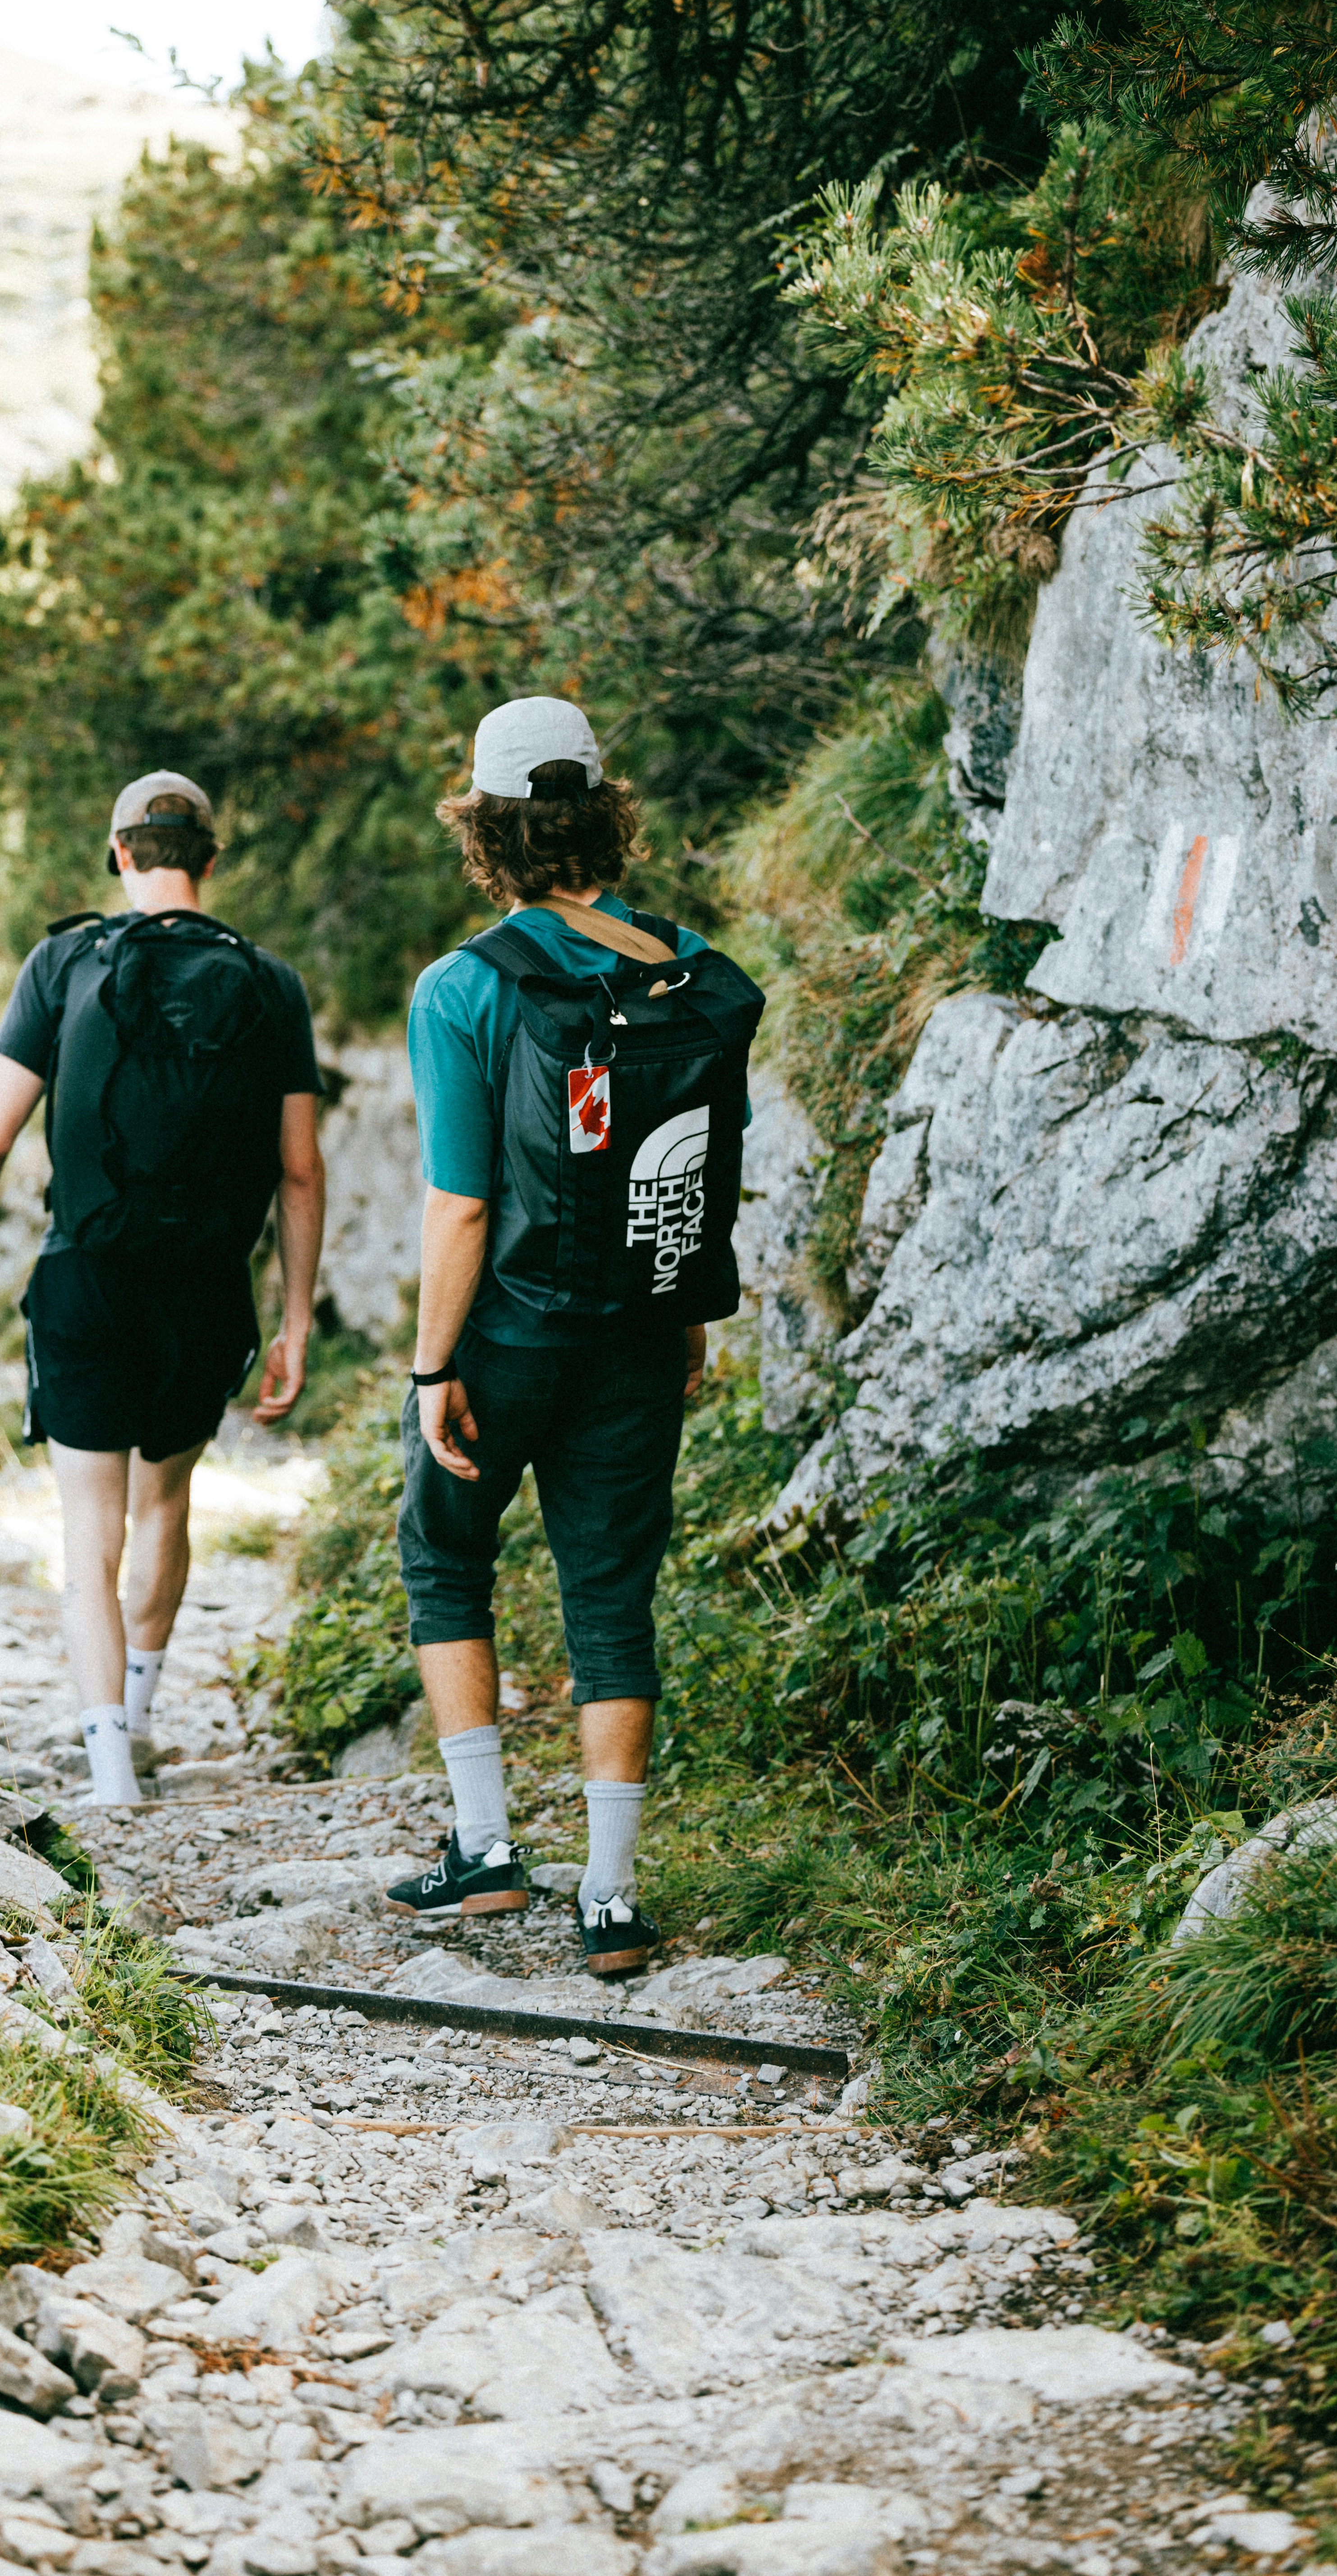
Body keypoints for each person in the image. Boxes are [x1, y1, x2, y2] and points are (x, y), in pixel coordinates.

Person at [385, 696, 762, 1973]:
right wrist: (687, 1311)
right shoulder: (692, 968)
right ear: (606, 808)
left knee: (445, 1555)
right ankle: (609, 1897)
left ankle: (486, 1849)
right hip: (650, 1325)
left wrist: (436, 1369)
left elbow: (463, 1204)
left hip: (512, 1335)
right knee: (610, 1591)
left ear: (484, 827)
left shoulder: (463, 988)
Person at [0, 772, 326, 1804]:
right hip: (206, 1288)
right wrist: (292, 1322)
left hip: (87, 1279)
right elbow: (299, 1170)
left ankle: (109, 1769)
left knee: (87, 1526)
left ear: (118, 853)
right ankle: (141, 1713)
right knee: (166, 1501)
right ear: (208, 859)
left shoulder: (63, 962)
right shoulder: (268, 982)